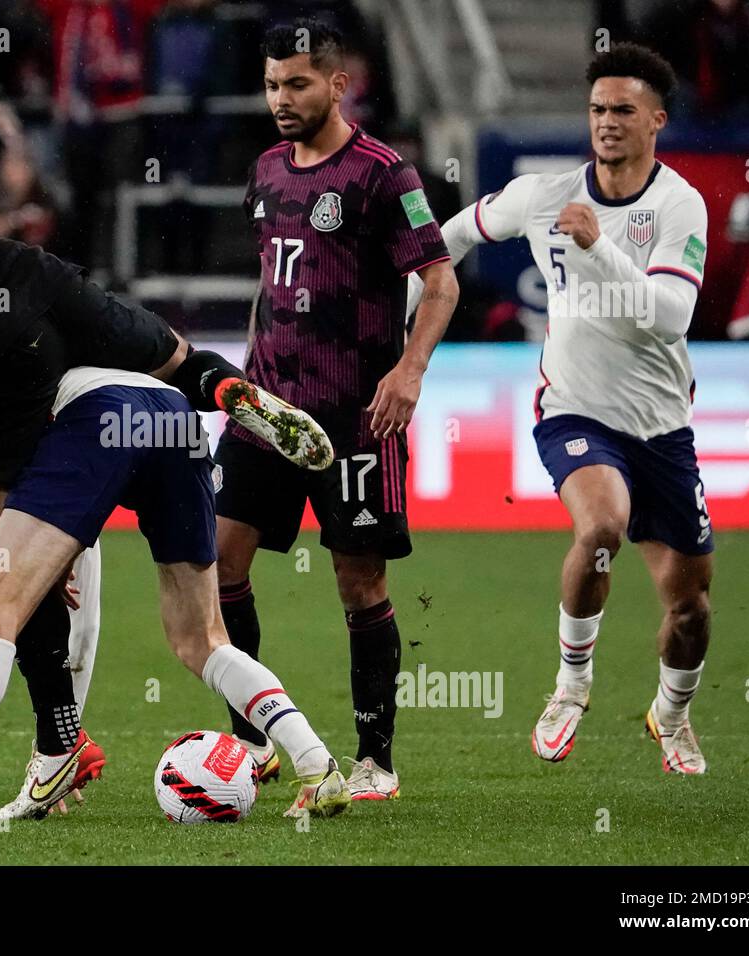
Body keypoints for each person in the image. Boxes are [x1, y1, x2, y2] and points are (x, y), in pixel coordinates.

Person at [0, 365, 354, 823]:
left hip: (102, 415)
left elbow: (83, 618)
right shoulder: (14, 424)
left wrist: (56, 742)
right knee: (201, 640)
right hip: (174, 417)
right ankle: (317, 766)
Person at [408, 43, 714, 774]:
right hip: (573, 408)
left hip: (663, 425)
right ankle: (570, 686)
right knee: (601, 524)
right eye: (598, 109)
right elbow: (451, 235)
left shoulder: (680, 205)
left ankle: (671, 715)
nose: (607, 123)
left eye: (623, 111)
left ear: (656, 121)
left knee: (691, 610)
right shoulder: (542, 193)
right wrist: (407, 300)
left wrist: (599, 246)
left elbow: (669, 316)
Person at [212, 19, 459, 801]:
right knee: (216, 564)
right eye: (272, 85)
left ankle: (374, 761)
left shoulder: (385, 175)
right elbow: (269, 289)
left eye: (297, 84)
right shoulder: (266, 171)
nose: (281, 100)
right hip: (266, 412)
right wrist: (248, 380)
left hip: (354, 416)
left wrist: (409, 372)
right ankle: (253, 745)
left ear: (337, 83)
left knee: (359, 583)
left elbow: (442, 283)